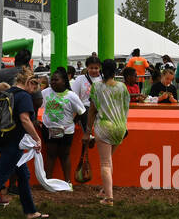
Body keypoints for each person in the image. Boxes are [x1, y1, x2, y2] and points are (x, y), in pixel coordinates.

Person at [0, 70, 48, 219]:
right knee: (0, 176)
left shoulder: (6, 93)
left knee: (23, 175)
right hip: (13, 144)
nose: (36, 89)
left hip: (3, 140)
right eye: (35, 84)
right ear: (28, 82)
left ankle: (30, 211)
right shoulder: (24, 96)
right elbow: (25, 120)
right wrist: (37, 138)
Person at [90, 59, 130, 206]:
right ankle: (104, 191)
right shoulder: (122, 87)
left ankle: (109, 198)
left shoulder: (97, 87)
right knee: (109, 160)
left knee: (105, 163)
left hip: (104, 127)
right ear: (115, 71)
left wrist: (88, 130)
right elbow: (126, 108)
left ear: (101, 70)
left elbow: (92, 110)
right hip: (120, 127)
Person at [40, 67, 87, 183]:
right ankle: (48, 182)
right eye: (52, 80)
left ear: (64, 81)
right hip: (49, 129)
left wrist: (76, 123)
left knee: (64, 155)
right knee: (50, 154)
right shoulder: (45, 92)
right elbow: (35, 104)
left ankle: (68, 182)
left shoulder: (71, 95)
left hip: (66, 131)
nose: (53, 82)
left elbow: (82, 112)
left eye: (56, 80)